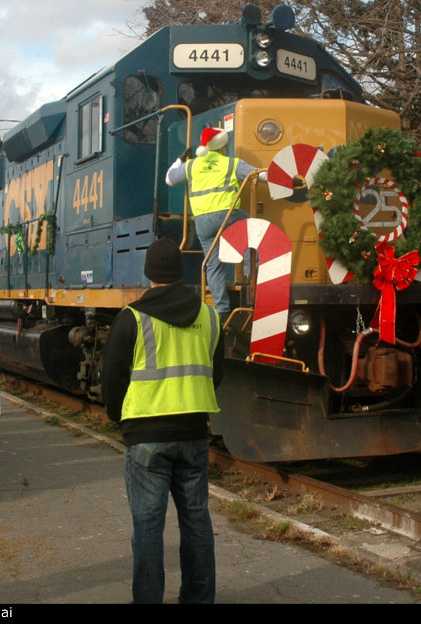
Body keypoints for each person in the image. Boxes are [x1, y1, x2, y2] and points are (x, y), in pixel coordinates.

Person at [102, 237, 224, 604]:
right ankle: (200, 598)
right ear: (181, 272)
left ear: (148, 273)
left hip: (146, 438)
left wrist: (121, 420)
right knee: (197, 521)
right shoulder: (209, 315)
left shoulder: (131, 318)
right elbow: (215, 375)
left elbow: (112, 381)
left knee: (148, 527)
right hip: (193, 434)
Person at [165, 127, 265, 320]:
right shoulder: (231, 164)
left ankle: (221, 308)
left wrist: (180, 158)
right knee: (252, 231)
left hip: (202, 221)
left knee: (213, 264)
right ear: (223, 147)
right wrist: (287, 180)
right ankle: (249, 277)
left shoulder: (192, 165)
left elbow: (169, 179)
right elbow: (260, 175)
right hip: (227, 216)